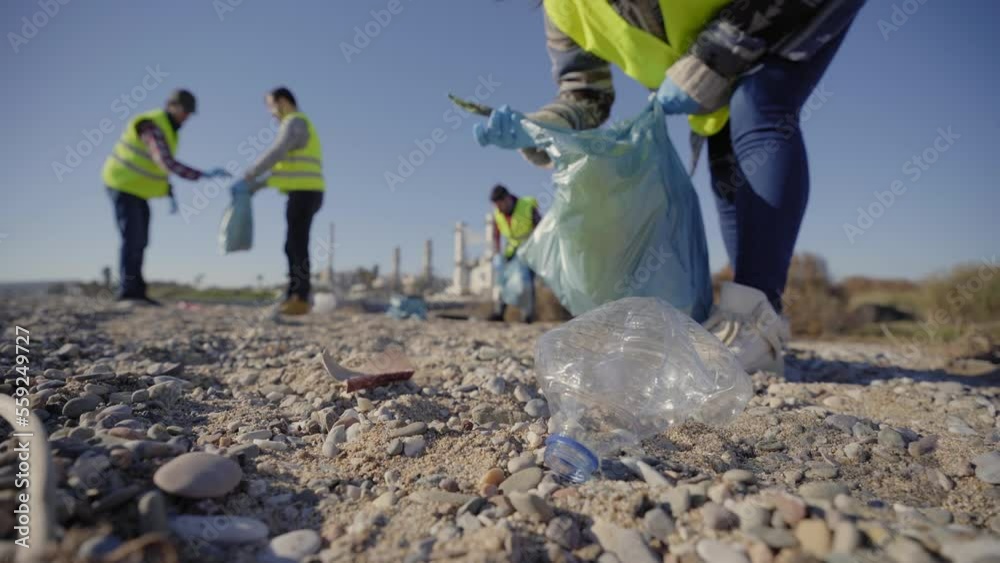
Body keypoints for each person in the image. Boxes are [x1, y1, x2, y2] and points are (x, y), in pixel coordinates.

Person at [473, 0, 865, 373]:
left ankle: (755, 318)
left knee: (759, 105)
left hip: (784, 17)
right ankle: (752, 321)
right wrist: (541, 129)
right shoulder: (562, 10)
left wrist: (711, 56)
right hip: (716, 77)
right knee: (728, 169)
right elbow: (584, 94)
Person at [102, 89, 230, 306]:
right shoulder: (151, 124)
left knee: (141, 240)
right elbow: (164, 161)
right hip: (122, 184)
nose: (186, 117)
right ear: (172, 105)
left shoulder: (170, 130)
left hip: (138, 191)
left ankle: (137, 291)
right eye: (184, 110)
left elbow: (157, 169)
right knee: (132, 238)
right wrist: (200, 175)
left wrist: (169, 191)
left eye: (189, 113)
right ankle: (128, 292)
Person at [238, 87, 325, 316]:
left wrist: (251, 173)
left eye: (271, 105)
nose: (271, 112)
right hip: (302, 192)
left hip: (305, 192)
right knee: (292, 245)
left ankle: (300, 297)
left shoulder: (295, 122)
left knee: (296, 245)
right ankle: (294, 295)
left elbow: (277, 152)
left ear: (283, 101)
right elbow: (284, 169)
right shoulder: (297, 124)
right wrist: (257, 186)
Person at [489, 184, 541, 323]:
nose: (498, 208)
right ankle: (499, 312)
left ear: (507, 199)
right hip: (511, 250)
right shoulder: (498, 214)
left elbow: (541, 227)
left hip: (529, 249)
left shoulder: (527, 206)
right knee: (503, 280)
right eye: (496, 205)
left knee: (526, 282)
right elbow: (496, 234)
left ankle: (528, 316)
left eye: (500, 204)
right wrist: (496, 252)